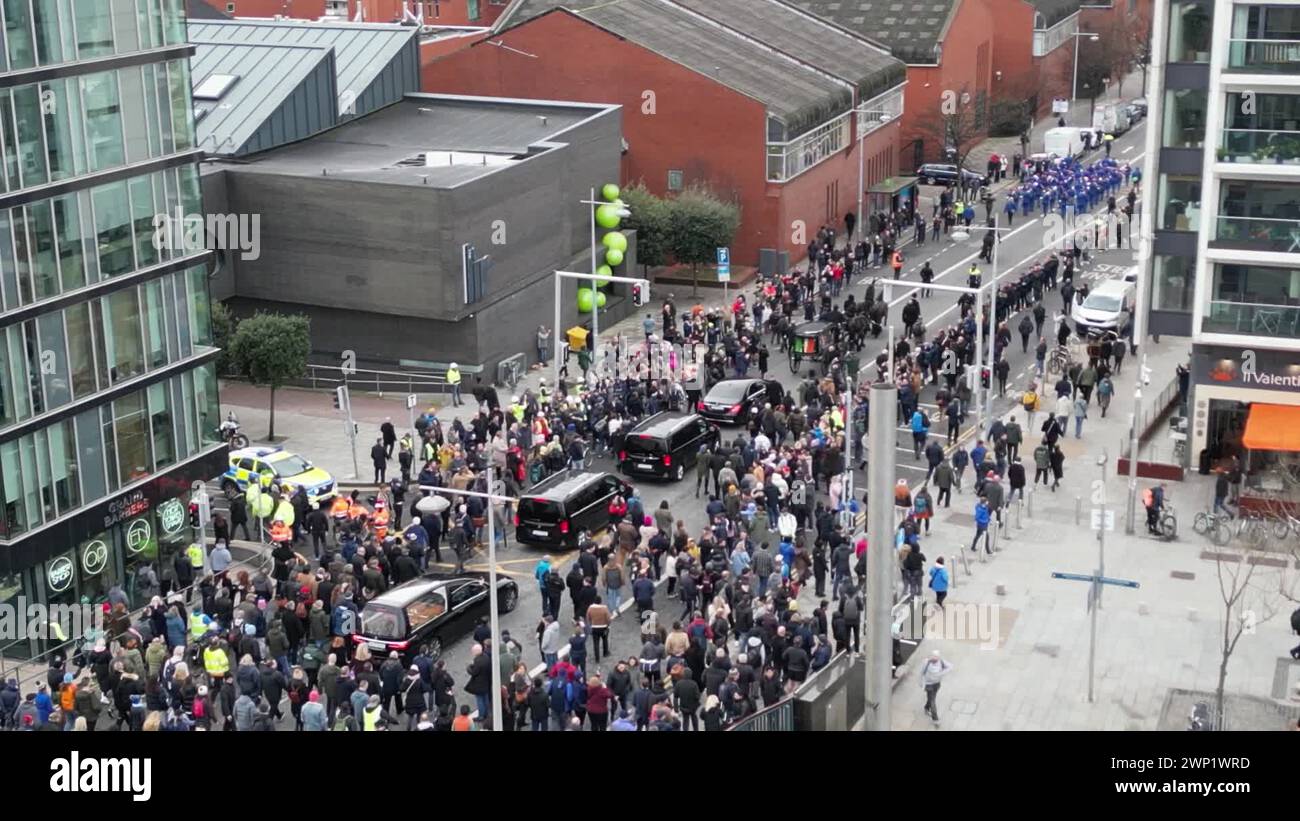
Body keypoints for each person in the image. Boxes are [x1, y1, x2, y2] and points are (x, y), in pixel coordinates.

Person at [920, 650, 953, 723]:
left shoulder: (941, 662)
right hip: (929, 684)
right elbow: (922, 672)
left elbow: (950, 666)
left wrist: (942, 673)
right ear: (931, 656)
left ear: (938, 657)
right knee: (932, 701)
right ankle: (935, 719)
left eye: (936, 656)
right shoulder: (926, 662)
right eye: (933, 656)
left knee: (931, 698)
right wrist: (921, 682)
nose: (934, 658)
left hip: (937, 684)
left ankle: (926, 707)